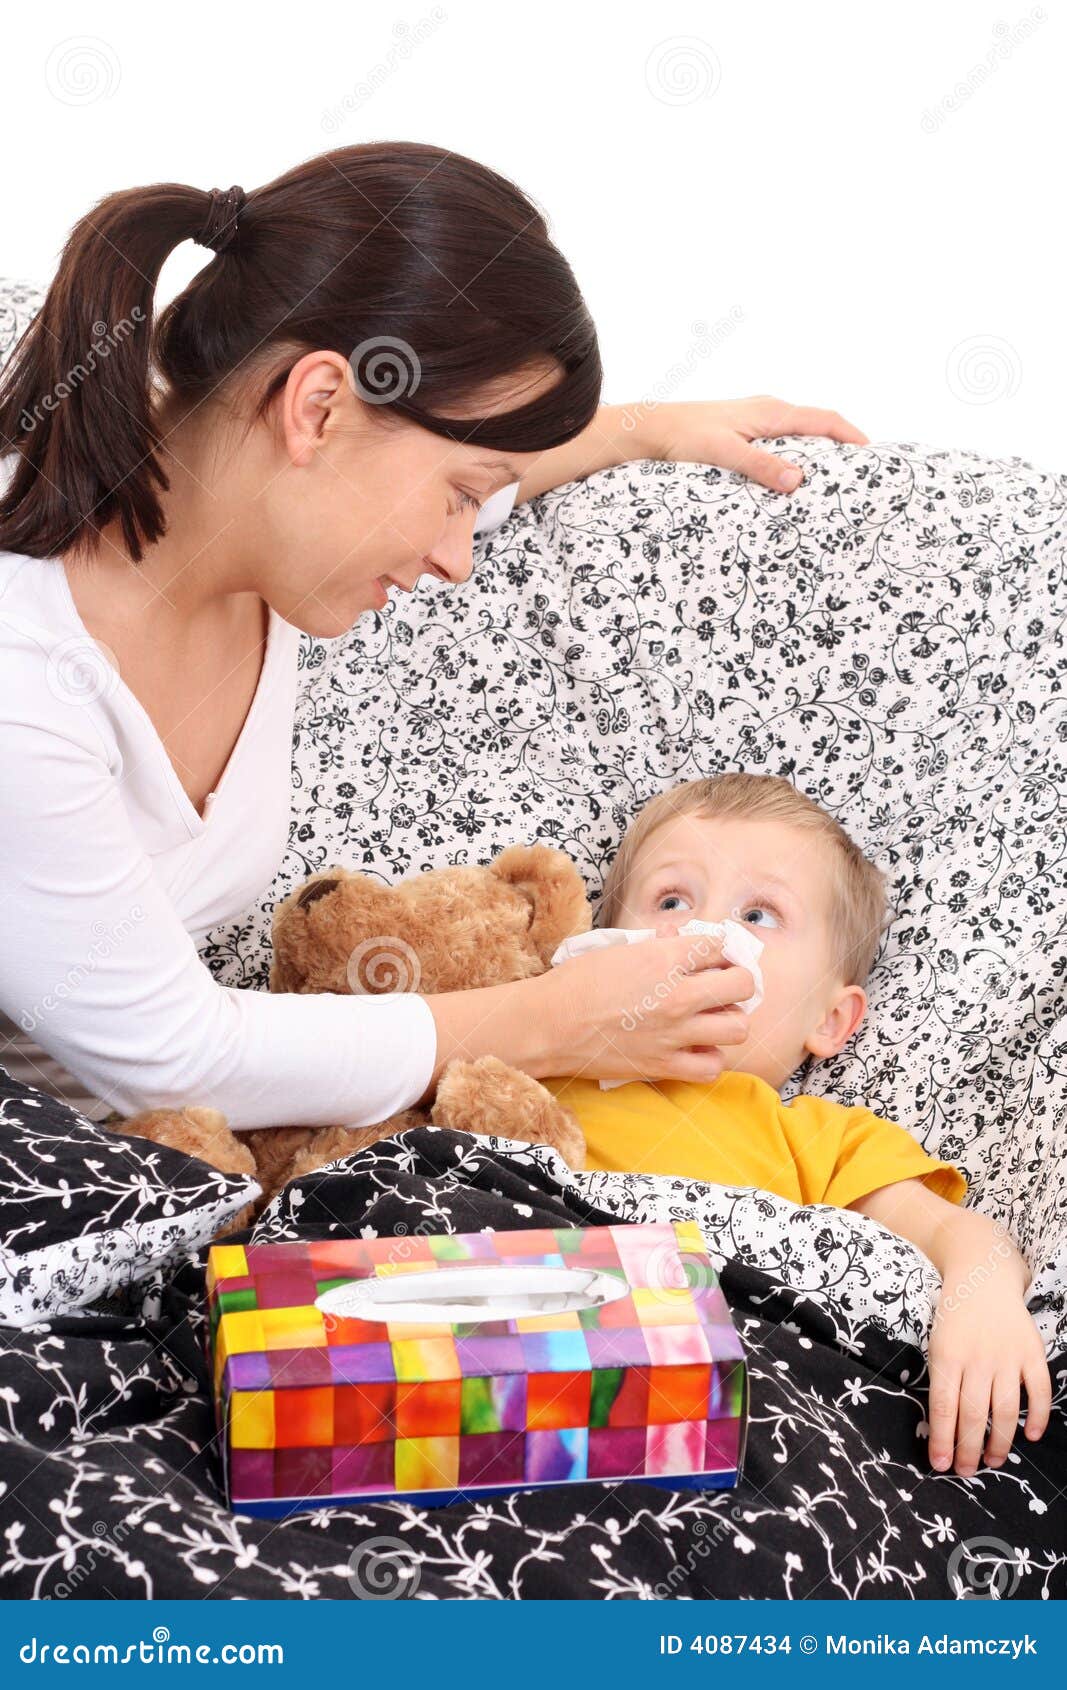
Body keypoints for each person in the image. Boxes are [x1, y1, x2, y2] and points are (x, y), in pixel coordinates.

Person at [0, 140, 867, 1133]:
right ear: (316, 407)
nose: (458, 556)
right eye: (459, 496)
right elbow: (176, 1058)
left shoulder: (250, 523)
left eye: (477, 498)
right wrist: (561, 1020)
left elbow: (442, 456)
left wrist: (642, 426)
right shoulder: (26, 674)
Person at [540, 773, 1052, 1477]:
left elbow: (959, 1234)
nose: (702, 932)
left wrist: (983, 1300)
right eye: (670, 901)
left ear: (830, 1021)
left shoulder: (818, 1138)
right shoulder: (537, 1061)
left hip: (704, 1390)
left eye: (759, 915)